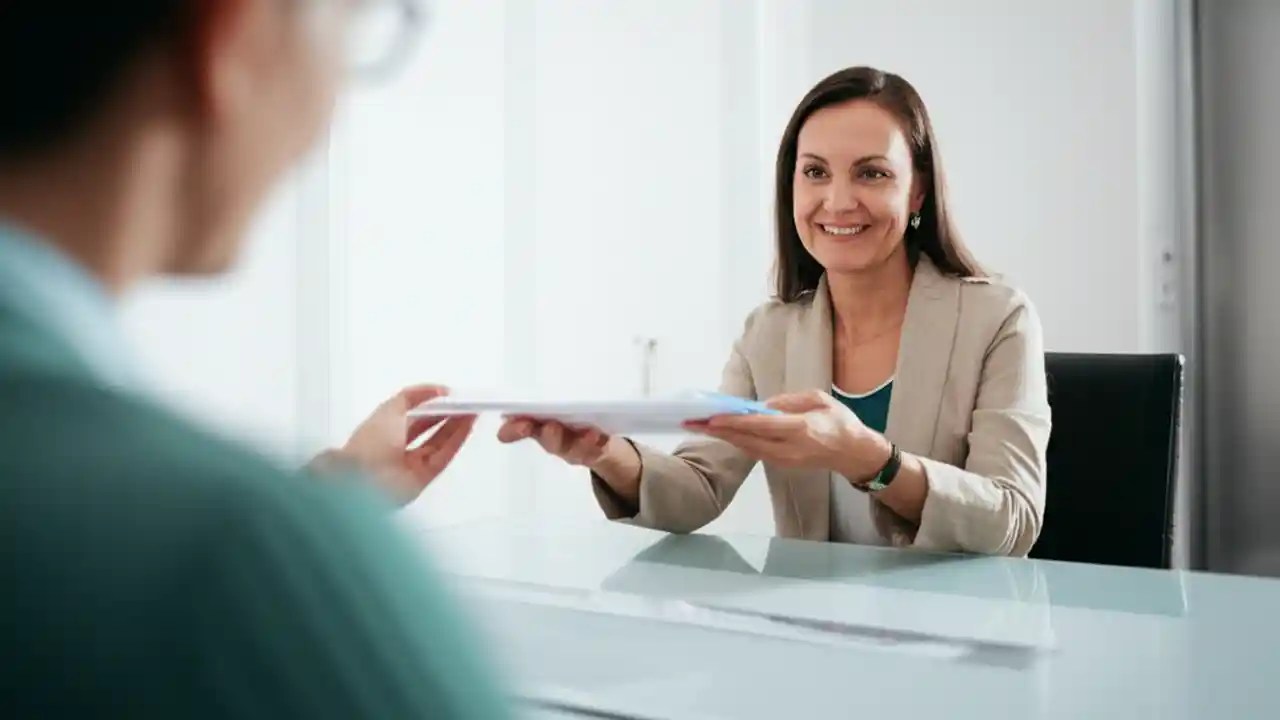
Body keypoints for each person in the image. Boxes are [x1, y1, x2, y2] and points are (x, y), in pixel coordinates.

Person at [1, 1, 507, 717]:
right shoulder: (243, 566)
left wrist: (342, 481)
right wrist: (310, 535)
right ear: (228, 41)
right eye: (349, 34)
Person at [500, 66, 1051, 556]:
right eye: (815, 172)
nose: (837, 201)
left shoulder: (997, 318)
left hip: (959, 630)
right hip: (812, 634)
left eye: (871, 173)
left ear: (917, 193)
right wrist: (605, 453)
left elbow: (1012, 521)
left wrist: (868, 458)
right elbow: (698, 489)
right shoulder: (770, 331)